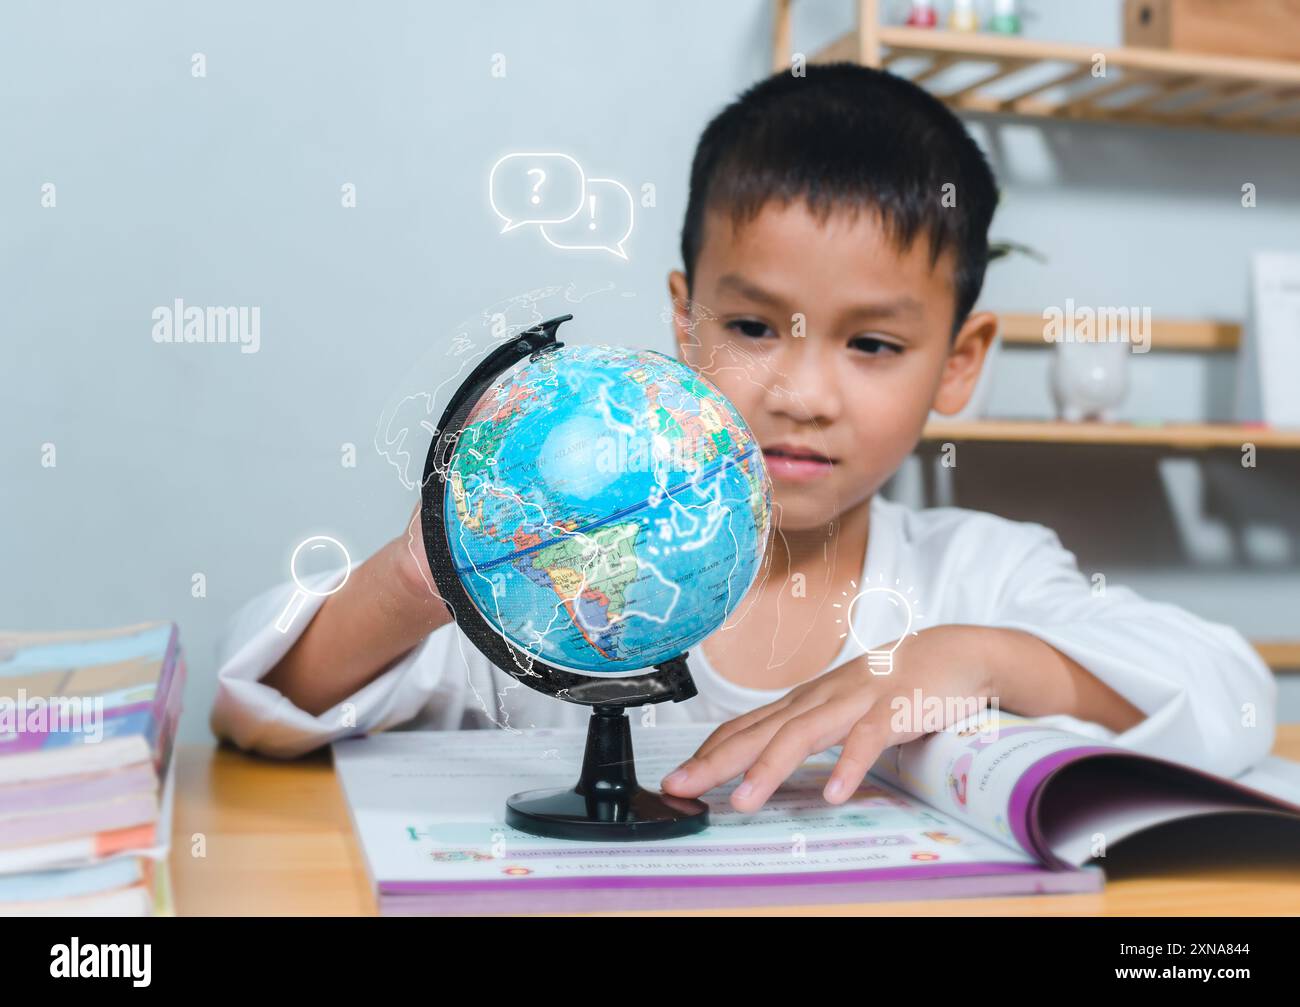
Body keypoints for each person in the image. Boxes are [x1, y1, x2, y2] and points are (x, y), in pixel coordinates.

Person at [211, 64, 1276, 813]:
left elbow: (1230, 700)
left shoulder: (976, 575)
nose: (803, 393)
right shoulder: (562, 562)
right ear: (684, 318)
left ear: (959, 359)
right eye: (754, 328)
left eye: (870, 343)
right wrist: (426, 570)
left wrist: (965, 658)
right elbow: (260, 709)